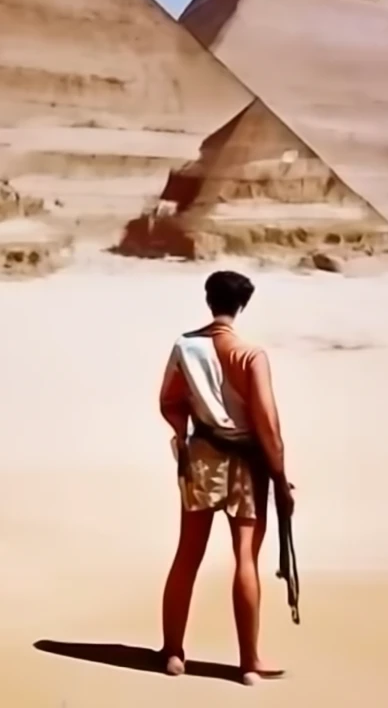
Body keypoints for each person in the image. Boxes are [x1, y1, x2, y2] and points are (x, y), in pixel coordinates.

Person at [158, 269, 294, 685]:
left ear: (208, 300)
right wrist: (280, 477)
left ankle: (173, 653)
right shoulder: (251, 356)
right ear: (242, 305)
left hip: (201, 458)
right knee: (246, 559)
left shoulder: (186, 345)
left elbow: (169, 401)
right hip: (247, 464)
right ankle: (249, 664)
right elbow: (267, 423)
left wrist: (183, 436)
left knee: (187, 554)